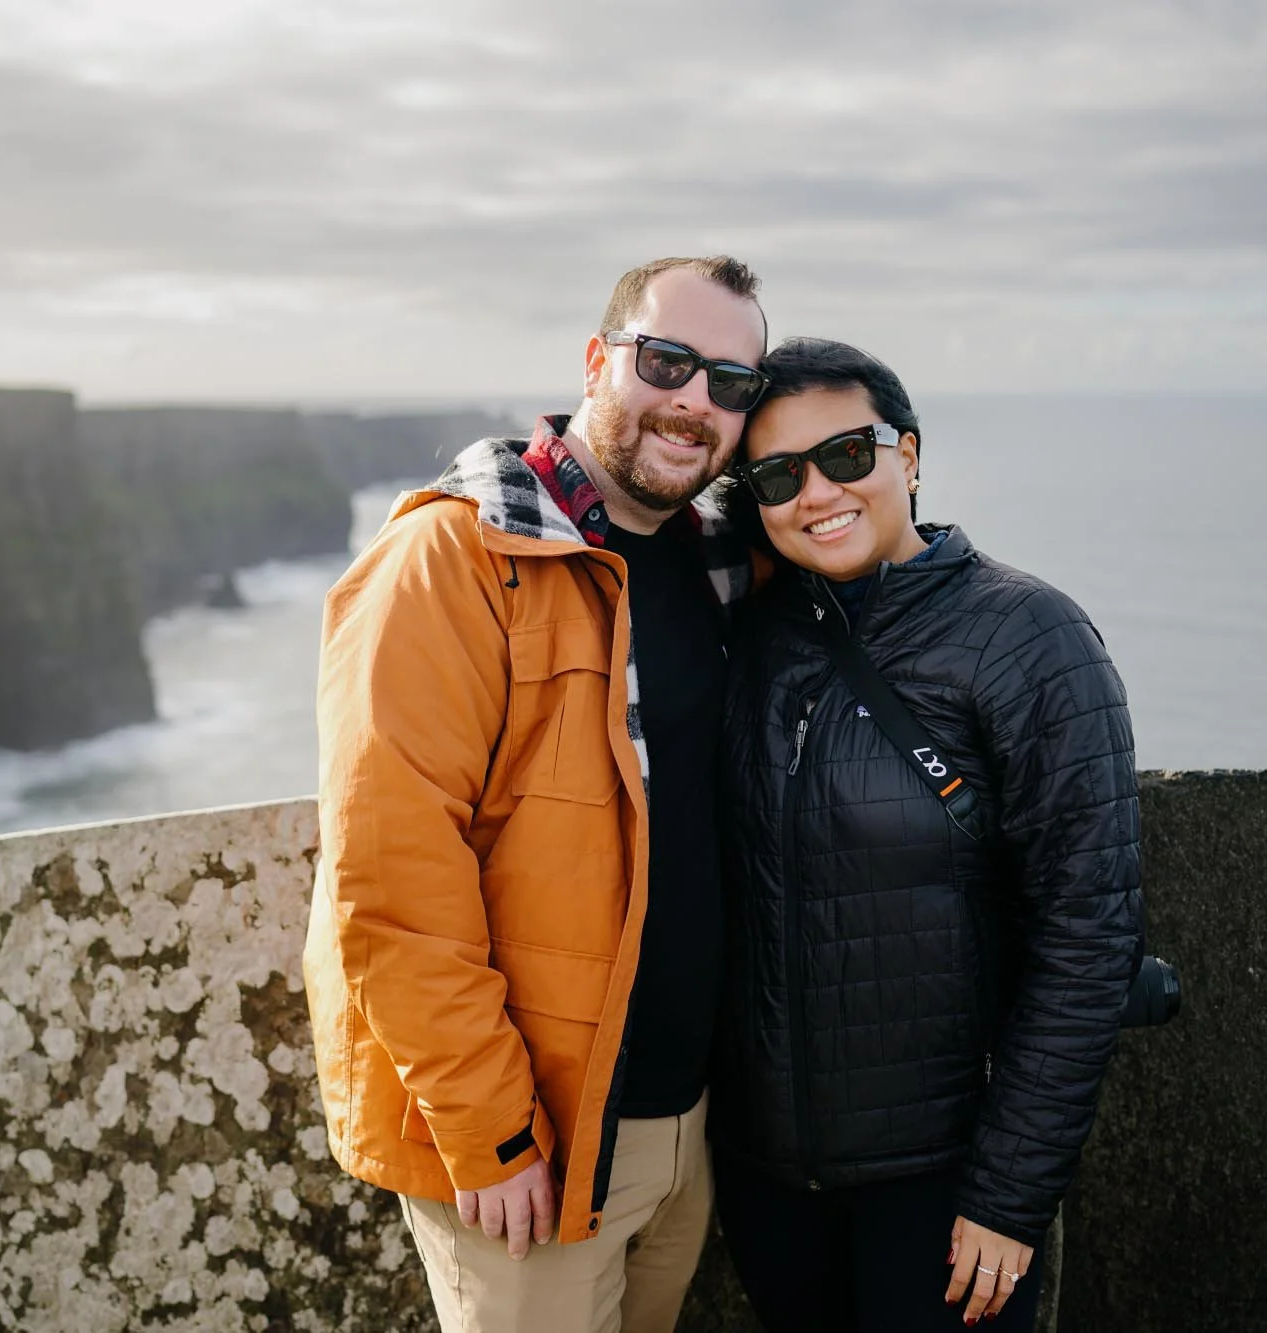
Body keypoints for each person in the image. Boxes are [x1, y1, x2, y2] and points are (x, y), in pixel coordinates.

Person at [302, 256, 767, 1333]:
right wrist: (492, 1130)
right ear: (598, 361)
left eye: (730, 383)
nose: (694, 401)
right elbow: (390, 879)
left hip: (684, 1123)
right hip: (537, 1145)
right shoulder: (451, 556)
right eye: (667, 361)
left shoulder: (718, 567)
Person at [710, 338, 1144, 1330]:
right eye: (778, 475)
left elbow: (1088, 935)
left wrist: (1008, 1194)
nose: (818, 492)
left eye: (846, 454)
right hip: (768, 1186)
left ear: (906, 454)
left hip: (944, 1186)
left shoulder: (1027, 635)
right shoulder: (751, 634)